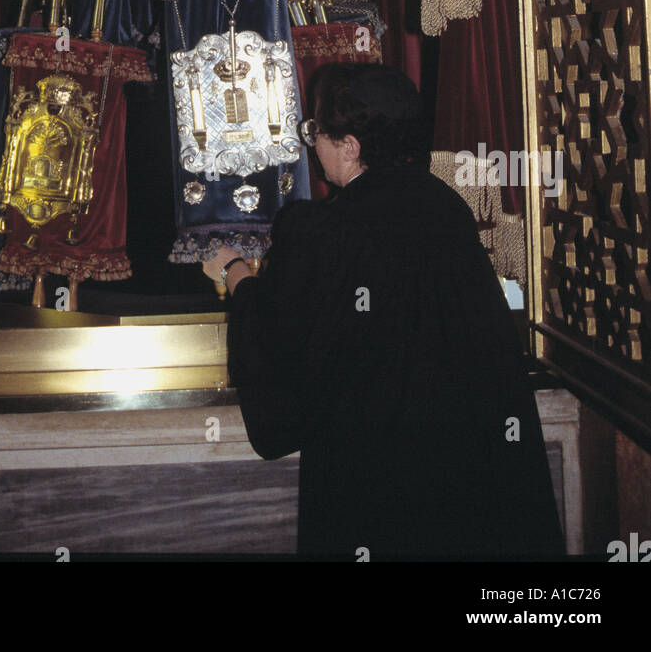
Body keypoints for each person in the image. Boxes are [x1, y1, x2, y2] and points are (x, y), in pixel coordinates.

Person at [203, 62, 565, 561]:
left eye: (317, 133)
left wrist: (235, 274)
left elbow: (282, 341)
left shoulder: (323, 229)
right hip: (473, 466)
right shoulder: (446, 208)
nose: (313, 145)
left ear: (350, 147)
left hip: (380, 477)